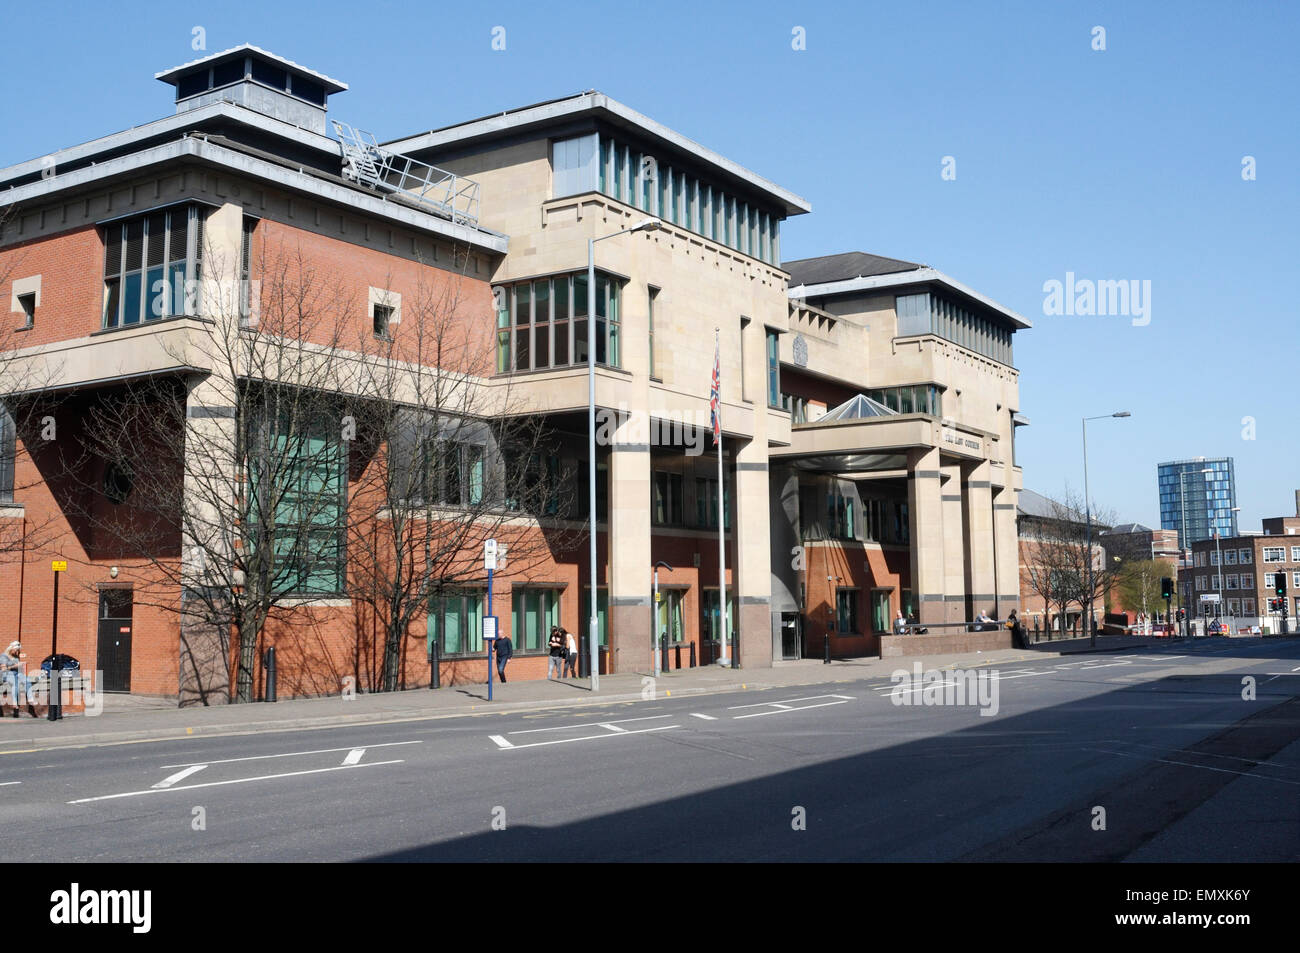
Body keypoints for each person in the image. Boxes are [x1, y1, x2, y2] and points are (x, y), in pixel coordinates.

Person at [2, 641, 35, 717]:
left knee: (27, 680)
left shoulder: (16, 656)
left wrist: (20, 667)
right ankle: (14, 703)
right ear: (11, 648)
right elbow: (3, 668)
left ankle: (30, 699)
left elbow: (18, 667)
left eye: (18, 650)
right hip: (7, 674)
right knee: (15, 683)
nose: (17, 652)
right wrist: (15, 666)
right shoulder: (4, 656)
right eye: (16, 650)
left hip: (16, 673)